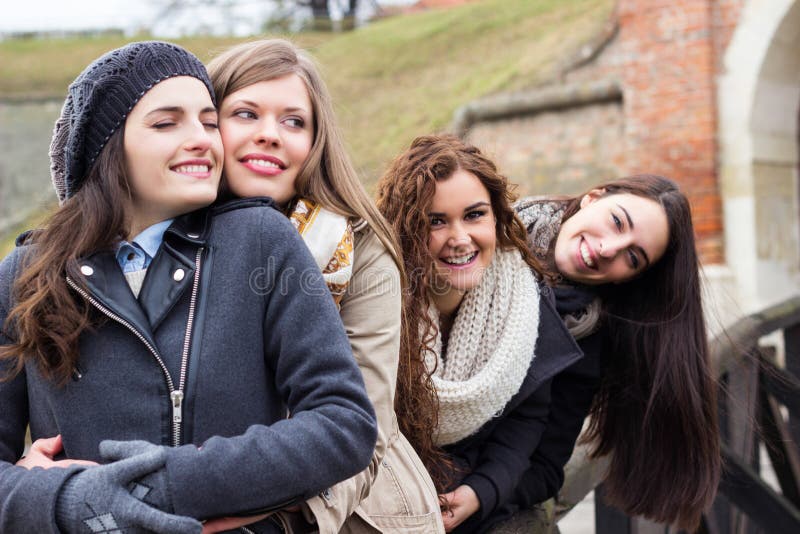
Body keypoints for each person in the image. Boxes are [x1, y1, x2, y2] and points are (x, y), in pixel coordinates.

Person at [0, 41, 377, 533]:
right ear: (105, 148)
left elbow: (343, 423)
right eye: (166, 122)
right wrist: (73, 502)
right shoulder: (25, 275)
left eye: (208, 121)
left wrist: (169, 484)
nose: (202, 139)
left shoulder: (260, 241)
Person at [206, 39, 444, 533]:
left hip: (346, 508)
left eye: (294, 121)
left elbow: (368, 416)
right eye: (246, 113)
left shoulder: (361, 245)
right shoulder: (162, 236)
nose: (271, 134)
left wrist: (277, 514)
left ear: (316, 142)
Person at [375, 134, 583, 533]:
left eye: (474, 215)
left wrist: (481, 491)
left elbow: (527, 419)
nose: (459, 238)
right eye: (435, 221)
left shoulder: (526, 303)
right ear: (405, 229)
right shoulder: (377, 302)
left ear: (497, 218)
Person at [511, 175, 720, 530]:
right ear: (593, 197)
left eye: (633, 257)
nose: (609, 249)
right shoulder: (477, 231)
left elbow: (545, 469)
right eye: (617, 221)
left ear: (628, 279)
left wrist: (480, 493)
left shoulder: (586, 343)